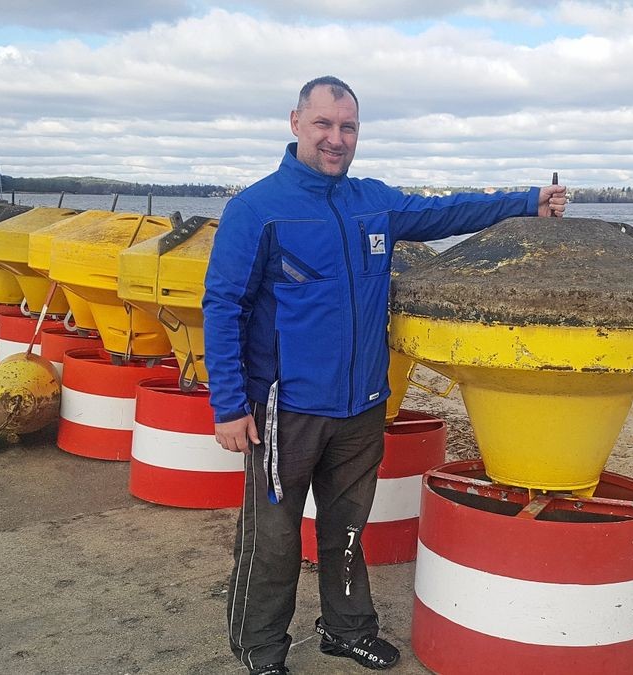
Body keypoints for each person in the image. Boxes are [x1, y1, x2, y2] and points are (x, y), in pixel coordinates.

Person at [202, 75, 566, 675]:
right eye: (323, 125)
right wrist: (228, 405)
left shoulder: (373, 202)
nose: (336, 139)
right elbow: (222, 308)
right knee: (273, 540)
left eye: (348, 127)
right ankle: (260, 650)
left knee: (346, 530)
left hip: (362, 406)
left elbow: (448, 211)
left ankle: (345, 629)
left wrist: (527, 200)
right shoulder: (256, 210)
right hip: (282, 412)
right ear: (296, 125)